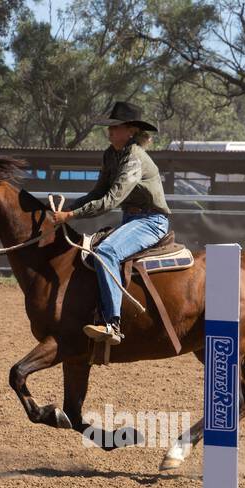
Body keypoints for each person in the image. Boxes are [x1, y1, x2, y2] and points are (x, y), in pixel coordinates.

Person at [52, 101, 172, 345]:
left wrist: (71, 217)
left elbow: (110, 199)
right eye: (110, 128)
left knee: (106, 251)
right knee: (94, 251)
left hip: (152, 221)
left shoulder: (134, 157)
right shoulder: (111, 155)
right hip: (133, 219)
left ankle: (112, 323)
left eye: (115, 127)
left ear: (130, 131)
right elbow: (97, 192)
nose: (110, 132)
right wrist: (68, 209)